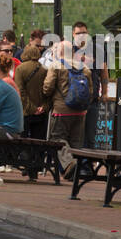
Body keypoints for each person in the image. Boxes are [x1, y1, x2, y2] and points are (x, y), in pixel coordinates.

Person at [43, 39, 90, 180]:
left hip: (61, 110)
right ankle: (75, 174)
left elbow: (48, 87)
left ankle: (69, 163)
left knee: (57, 138)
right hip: (80, 111)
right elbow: (91, 90)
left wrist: (47, 94)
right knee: (76, 142)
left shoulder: (56, 65)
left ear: (60, 51)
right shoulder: (84, 68)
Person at [15, 35, 50, 139]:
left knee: (24, 141)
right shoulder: (45, 69)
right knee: (39, 141)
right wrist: (42, 107)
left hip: (26, 111)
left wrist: (32, 108)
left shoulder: (20, 69)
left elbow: (20, 90)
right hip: (41, 112)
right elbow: (48, 90)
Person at [73, 20, 108, 104]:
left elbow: (104, 72)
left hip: (92, 97)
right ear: (73, 34)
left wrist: (104, 93)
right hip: (73, 97)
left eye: (84, 33)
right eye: (78, 33)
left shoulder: (97, 50)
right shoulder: (68, 49)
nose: (81, 35)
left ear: (87, 33)